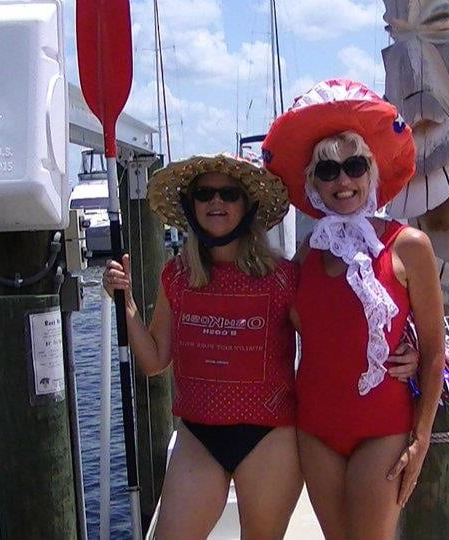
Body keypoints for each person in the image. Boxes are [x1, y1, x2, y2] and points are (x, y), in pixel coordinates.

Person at [102, 154, 419, 539]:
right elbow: (154, 361)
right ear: (191, 205)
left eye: (229, 194)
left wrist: (408, 347)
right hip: (199, 436)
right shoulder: (177, 276)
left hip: (270, 437)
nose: (216, 202)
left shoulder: (283, 277)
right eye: (204, 194)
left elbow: (336, 336)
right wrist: (127, 305)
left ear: (247, 205)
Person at [263, 79, 447, 539]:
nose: (343, 181)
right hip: (314, 429)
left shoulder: (410, 246)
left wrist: (422, 438)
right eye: (328, 171)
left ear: (372, 173)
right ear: (314, 184)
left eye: (354, 166)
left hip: (382, 429)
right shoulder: (305, 256)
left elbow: (436, 347)